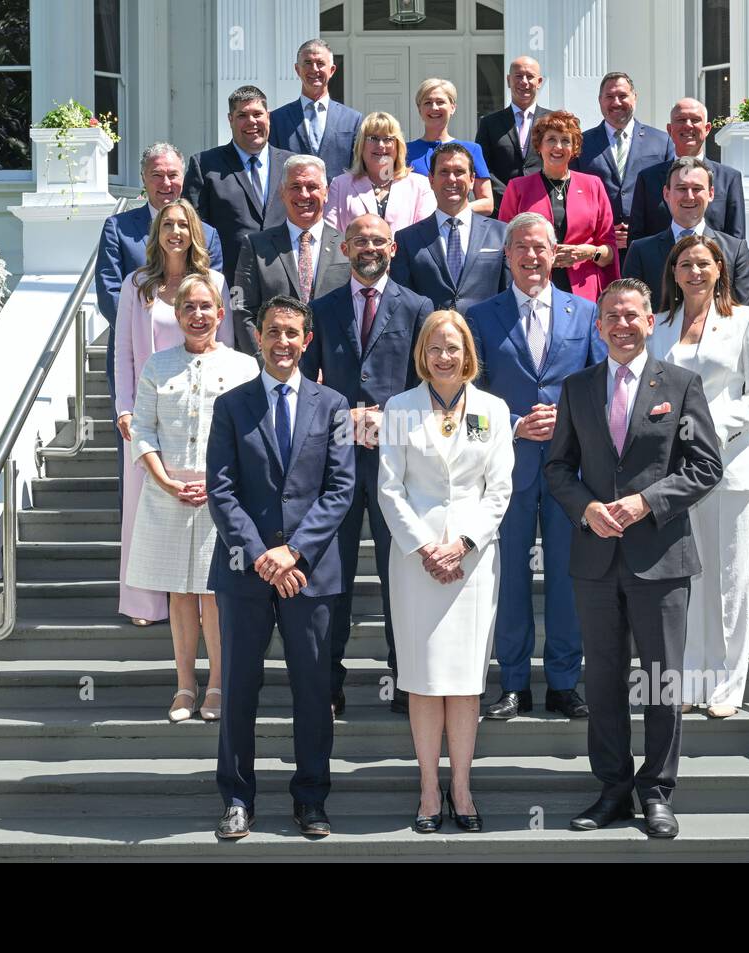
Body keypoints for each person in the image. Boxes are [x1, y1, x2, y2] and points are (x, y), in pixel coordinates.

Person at [545, 278, 721, 839]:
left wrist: (647, 501)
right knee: (602, 682)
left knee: (663, 679)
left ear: (650, 321)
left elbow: (705, 466)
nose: (622, 325)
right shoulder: (576, 388)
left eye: (632, 315)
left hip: (661, 559)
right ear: (599, 327)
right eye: (611, 317)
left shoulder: (683, 385)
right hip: (595, 559)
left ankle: (658, 791)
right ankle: (613, 789)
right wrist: (587, 507)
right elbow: (556, 469)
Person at [207, 295, 355, 840]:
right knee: (239, 689)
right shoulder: (231, 405)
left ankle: (311, 801)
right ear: (259, 337)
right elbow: (221, 491)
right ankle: (237, 799)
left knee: (314, 691)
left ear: (306, 339)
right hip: (245, 571)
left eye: (293, 333)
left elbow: (342, 489)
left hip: (310, 573)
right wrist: (264, 556)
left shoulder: (335, 406)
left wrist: (294, 552)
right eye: (274, 332)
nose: (283, 342)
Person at [378, 310, 514, 833]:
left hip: (474, 560)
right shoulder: (399, 407)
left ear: (468, 354)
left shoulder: (494, 410)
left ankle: (461, 784)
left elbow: (499, 489)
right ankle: (429, 789)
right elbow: (389, 488)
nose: (443, 356)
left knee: (463, 681)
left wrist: (462, 543)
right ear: (422, 353)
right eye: (434, 347)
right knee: (423, 679)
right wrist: (425, 547)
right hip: (416, 562)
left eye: (452, 347)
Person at [467, 212, 605, 721]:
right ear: (507, 257)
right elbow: (468, 402)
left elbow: (599, 387)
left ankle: (566, 683)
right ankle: (514, 683)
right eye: (520, 248)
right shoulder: (481, 317)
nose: (530, 256)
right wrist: (514, 426)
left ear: (555, 254)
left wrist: (568, 424)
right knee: (510, 580)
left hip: (572, 470)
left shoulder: (586, 313)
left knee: (570, 578)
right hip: (507, 468)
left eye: (540, 247)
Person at [302, 214, 434, 715]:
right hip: (333, 465)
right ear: (345, 247)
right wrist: (342, 417)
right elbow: (307, 385)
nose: (368, 248)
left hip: (397, 464)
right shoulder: (322, 308)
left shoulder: (419, 308)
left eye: (377, 240)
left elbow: (430, 383)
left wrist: (391, 419)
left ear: (393, 249)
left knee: (398, 573)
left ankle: (406, 678)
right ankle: (327, 682)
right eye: (359, 240)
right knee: (330, 576)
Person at [649, 235, 749, 719]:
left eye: (704, 263)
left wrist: (709, 428)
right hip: (674, 474)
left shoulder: (745, 320)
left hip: (729, 466)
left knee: (728, 580)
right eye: (686, 264)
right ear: (674, 273)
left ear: (720, 269)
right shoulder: (659, 325)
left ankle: (727, 684)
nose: (695, 271)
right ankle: (692, 677)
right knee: (687, 580)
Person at [126, 275, 259, 722]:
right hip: (168, 494)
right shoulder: (156, 366)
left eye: (207, 307)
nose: (198, 315)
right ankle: (185, 686)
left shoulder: (244, 366)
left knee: (215, 594)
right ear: (177, 315)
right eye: (189, 308)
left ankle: (218, 684)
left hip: (221, 495)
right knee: (179, 595)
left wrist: (219, 483)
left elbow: (252, 436)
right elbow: (142, 428)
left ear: (221, 314)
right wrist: (164, 481)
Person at [114, 199, 234, 626]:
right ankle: (145, 603)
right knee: (144, 506)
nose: (175, 232)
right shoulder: (138, 284)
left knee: (204, 512)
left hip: (201, 412)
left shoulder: (214, 282)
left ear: (194, 232)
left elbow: (230, 349)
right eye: (168, 224)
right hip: (151, 408)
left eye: (183, 224)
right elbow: (124, 350)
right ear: (157, 233)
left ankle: (207, 599)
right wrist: (124, 407)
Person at [96, 143, 223, 517]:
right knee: (139, 476)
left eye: (172, 175)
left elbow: (215, 304)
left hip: (196, 373)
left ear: (183, 179)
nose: (166, 183)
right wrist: (140, 316)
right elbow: (110, 292)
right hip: (141, 364)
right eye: (157, 175)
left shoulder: (208, 234)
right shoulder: (118, 228)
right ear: (143, 180)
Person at [233, 155, 351, 356]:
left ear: (326, 192)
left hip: (333, 371)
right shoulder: (255, 246)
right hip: (273, 364)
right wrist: (265, 361)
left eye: (312, 187)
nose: (304, 195)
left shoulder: (346, 247)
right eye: (295, 187)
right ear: (282, 192)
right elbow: (241, 309)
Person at [499, 111, 620, 303]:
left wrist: (587, 252)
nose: (558, 147)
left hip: (583, 290)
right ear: (539, 146)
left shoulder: (593, 185)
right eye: (551, 140)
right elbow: (503, 245)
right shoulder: (518, 188)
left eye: (566, 140)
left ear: (574, 148)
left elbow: (610, 251)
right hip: (531, 287)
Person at [184, 86, 296, 286]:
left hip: (286, 281)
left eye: (257, 114)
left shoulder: (293, 164)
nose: (251, 121)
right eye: (242, 115)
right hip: (229, 282)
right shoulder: (205, 165)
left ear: (268, 117)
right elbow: (195, 230)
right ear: (230, 119)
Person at [622, 156, 749, 309]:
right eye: (681, 188)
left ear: (711, 193)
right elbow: (631, 312)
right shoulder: (641, 252)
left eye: (697, 189)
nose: (689, 196)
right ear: (666, 194)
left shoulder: (735, 251)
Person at [389, 143, 509, 315]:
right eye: (443, 172)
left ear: (472, 179)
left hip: (486, 338)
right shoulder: (407, 239)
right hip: (430, 337)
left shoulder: (501, 234)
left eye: (459, 172)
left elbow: (508, 295)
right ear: (431, 180)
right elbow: (402, 303)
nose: (452, 179)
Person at [571, 72, 675, 258]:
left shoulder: (661, 141)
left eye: (622, 96)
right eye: (609, 96)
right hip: (598, 250)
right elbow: (575, 197)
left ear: (635, 98)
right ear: (600, 100)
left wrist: (636, 229)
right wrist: (606, 231)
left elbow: (669, 196)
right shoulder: (581, 143)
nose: (616, 102)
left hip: (648, 247)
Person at [629, 98, 746, 242]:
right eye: (681, 119)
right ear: (669, 129)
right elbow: (636, 239)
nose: (688, 126)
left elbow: (736, 241)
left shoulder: (729, 179)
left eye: (695, 120)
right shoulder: (647, 179)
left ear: (707, 128)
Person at [324, 112, 436, 235]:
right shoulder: (340, 185)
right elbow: (331, 237)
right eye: (373, 138)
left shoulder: (420, 185)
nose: (381, 145)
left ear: (398, 145)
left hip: (406, 254)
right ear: (361, 145)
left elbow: (425, 235)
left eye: (388, 139)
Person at [269, 38, 363, 176]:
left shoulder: (353, 119)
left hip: (339, 197)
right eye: (307, 63)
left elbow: (358, 167)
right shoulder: (277, 119)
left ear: (332, 70)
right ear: (297, 69)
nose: (314, 69)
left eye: (320, 63)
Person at [405, 78, 494, 216]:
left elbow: (487, 203)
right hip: (417, 230)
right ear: (419, 109)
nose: (434, 107)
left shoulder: (472, 149)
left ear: (452, 107)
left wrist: (452, 211)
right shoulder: (404, 151)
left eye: (440, 102)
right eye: (428, 102)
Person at [475, 56, 550, 217]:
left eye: (530, 76)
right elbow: (483, 168)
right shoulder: (489, 123)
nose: (524, 82)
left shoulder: (552, 122)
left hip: (544, 206)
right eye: (518, 76)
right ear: (509, 80)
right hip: (502, 211)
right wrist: (511, 197)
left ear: (539, 81)